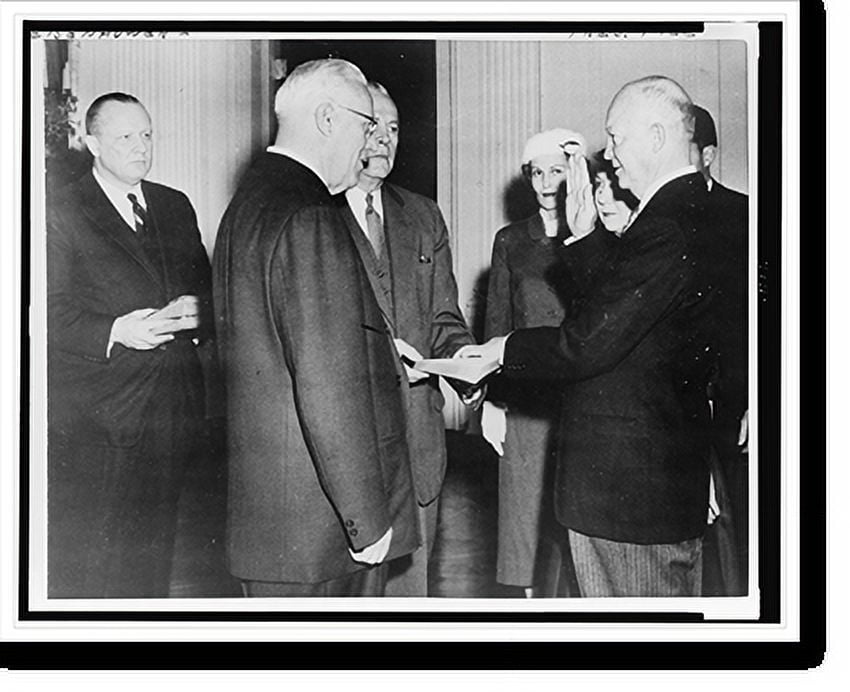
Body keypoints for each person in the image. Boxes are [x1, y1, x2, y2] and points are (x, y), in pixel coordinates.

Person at [458, 76, 716, 597]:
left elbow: (588, 341)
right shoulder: (688, 212)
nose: (610, 153)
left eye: (616, 137)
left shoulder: (666, 224)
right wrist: (583, 239)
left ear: (658, 137)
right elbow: (625, 313)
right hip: (649, 487)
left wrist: (501, 350)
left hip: (628, 497)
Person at [212, 59, 419, 597]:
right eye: (365, 125)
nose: (372, 143)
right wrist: (366, 520)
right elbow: (328, 386)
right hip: (322, 539)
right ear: (328, 118)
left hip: (271, 530)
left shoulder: (246, 207)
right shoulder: (310, 216)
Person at [46, 92, 213, 597]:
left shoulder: (174, 204)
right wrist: (118, 330)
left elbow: (206, 290)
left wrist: (198, 313)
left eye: (146, 135)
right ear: (92, 142)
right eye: (125, 138)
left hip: (171, 408)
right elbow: (43, 311)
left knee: (155, 552)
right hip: (99, 415)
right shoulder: (59, 209)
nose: (141, 148)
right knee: (96, 558)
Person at [334, 81, 477, 597]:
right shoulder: (311, 215)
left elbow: (443, 317)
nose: (385, 141)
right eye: (373, 127)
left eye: (394, 129)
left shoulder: (422, 215)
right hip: (345, 453)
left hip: (418, 450)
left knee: (408, 602)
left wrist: (465, 361)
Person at [480, 128, 586, 598]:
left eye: (556, 171)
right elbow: (497, 324)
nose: (547, 182)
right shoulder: (510, 242)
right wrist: (491, 402)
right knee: (522, 516)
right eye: (537, 172)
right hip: (525, 399)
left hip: (579, 395)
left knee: (574, 521)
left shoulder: (590, 237)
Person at [690, 104, 750, 596]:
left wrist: (756, 391)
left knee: (733, 521)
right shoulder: (652, 214)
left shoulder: (746, 215)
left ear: (708, 155)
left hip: (732, 394)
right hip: (677, 394)